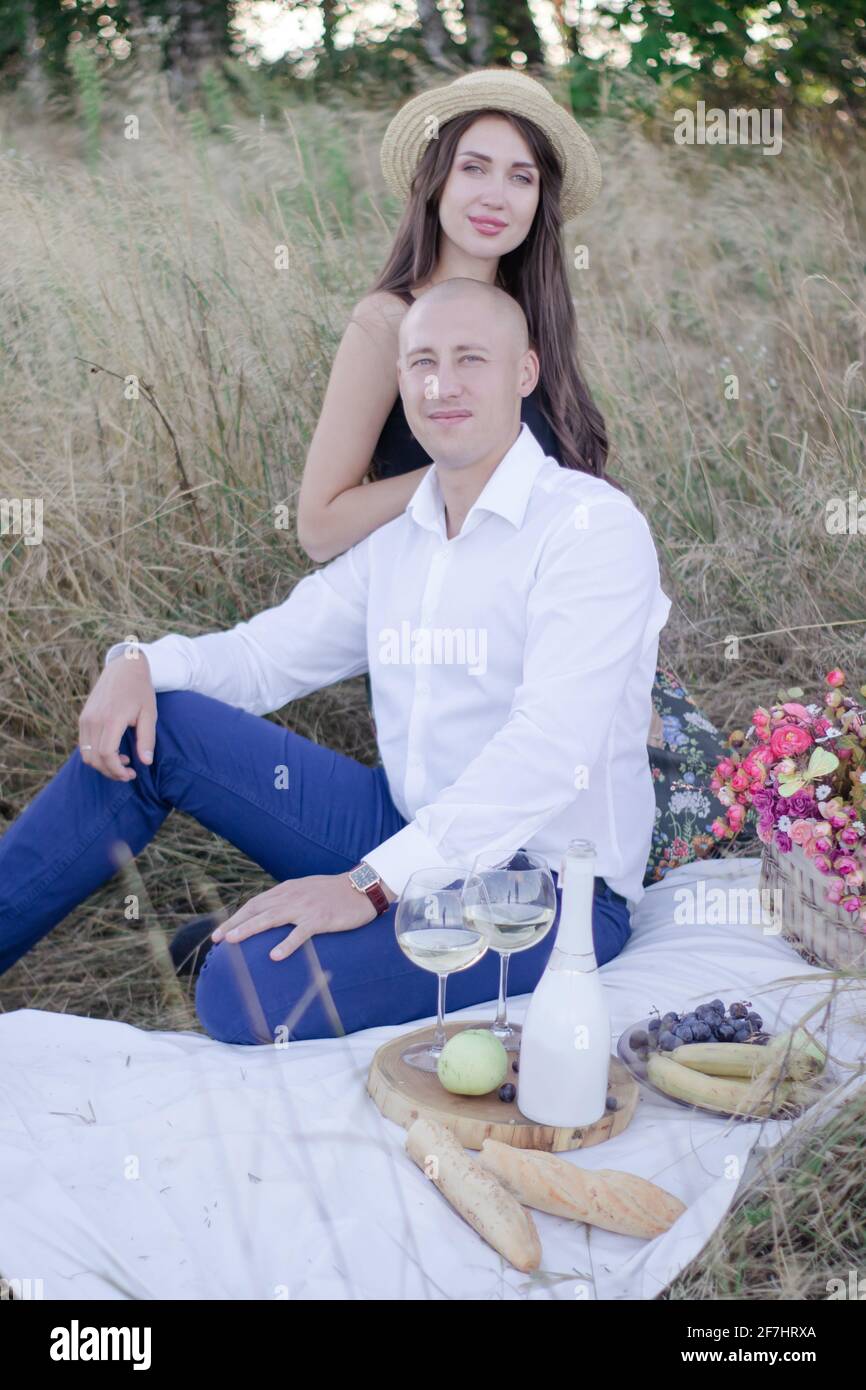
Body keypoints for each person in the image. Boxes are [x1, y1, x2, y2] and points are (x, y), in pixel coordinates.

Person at [0, 279, 671, 1046]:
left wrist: (370, 886)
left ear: (525, 373)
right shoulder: (403, 541)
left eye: (470, 360)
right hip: (404, 823)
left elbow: (550, 749)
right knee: (160, 723)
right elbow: (262, 656)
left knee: (243, 988)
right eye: (421, 361)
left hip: (545, 888)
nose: (441, 384)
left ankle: (264, 943)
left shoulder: (590, 528)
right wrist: (138, 660)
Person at [296, 67, 611, 569]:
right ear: (435, 180)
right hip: (431, 611)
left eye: (521, 177)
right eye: (474, 168)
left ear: (538, 201)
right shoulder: (388, 321)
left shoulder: (535, 318)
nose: (496, 196)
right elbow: (319, 528)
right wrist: (464, 474)